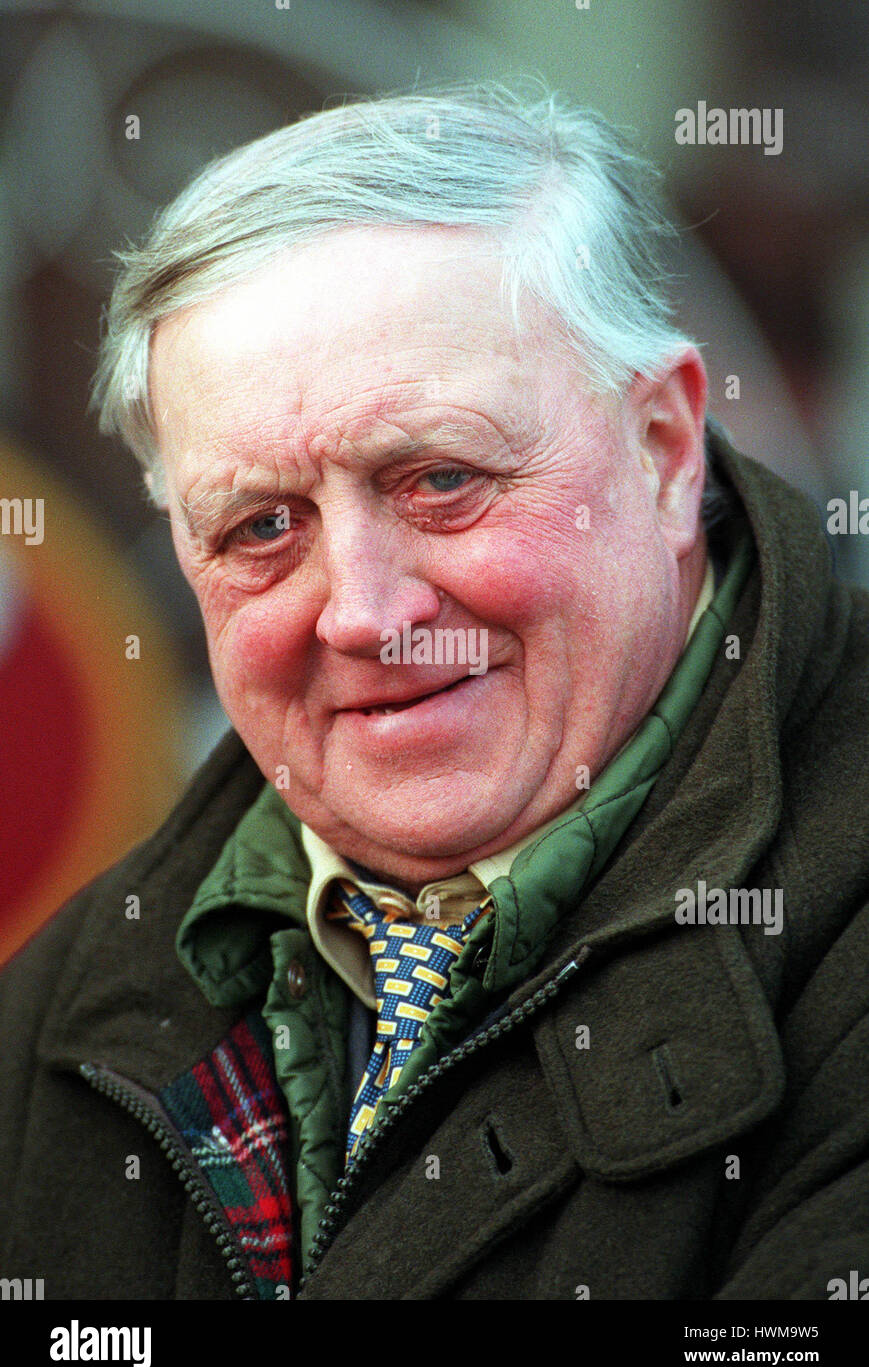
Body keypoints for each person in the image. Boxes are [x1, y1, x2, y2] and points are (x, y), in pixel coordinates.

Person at [1, 80, 867, 1302]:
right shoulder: (55, 1016)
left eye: (441, 480)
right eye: (259, 526)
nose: (360, 610)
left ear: (662, 449)